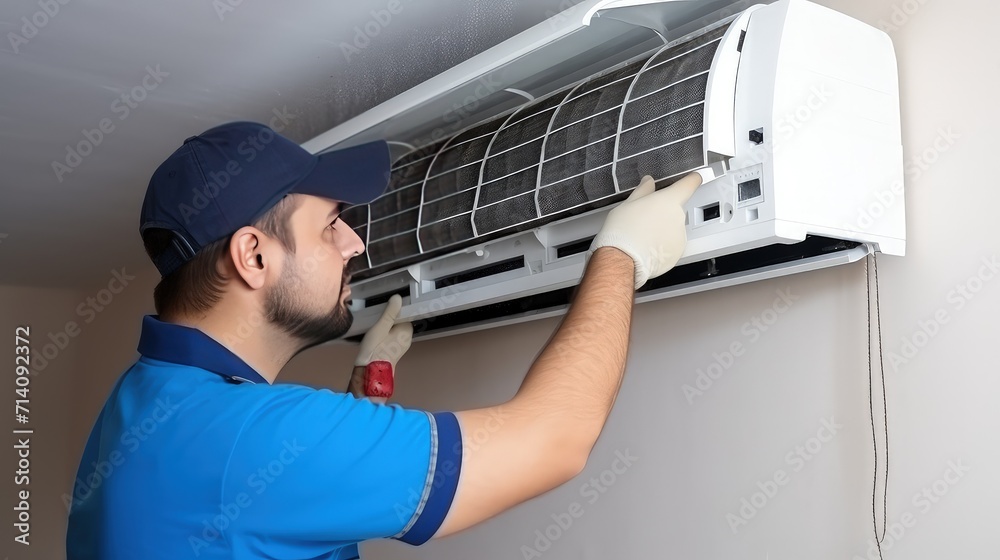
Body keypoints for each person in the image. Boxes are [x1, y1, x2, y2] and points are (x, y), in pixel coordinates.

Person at [66, 121, 703, 559]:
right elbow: (553, 441)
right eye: (331, 225)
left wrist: (370, 380)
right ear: (253, 257)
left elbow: (288, 496)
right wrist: (622, 256)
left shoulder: (144, 403)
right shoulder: (249, 437)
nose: (355, 244)